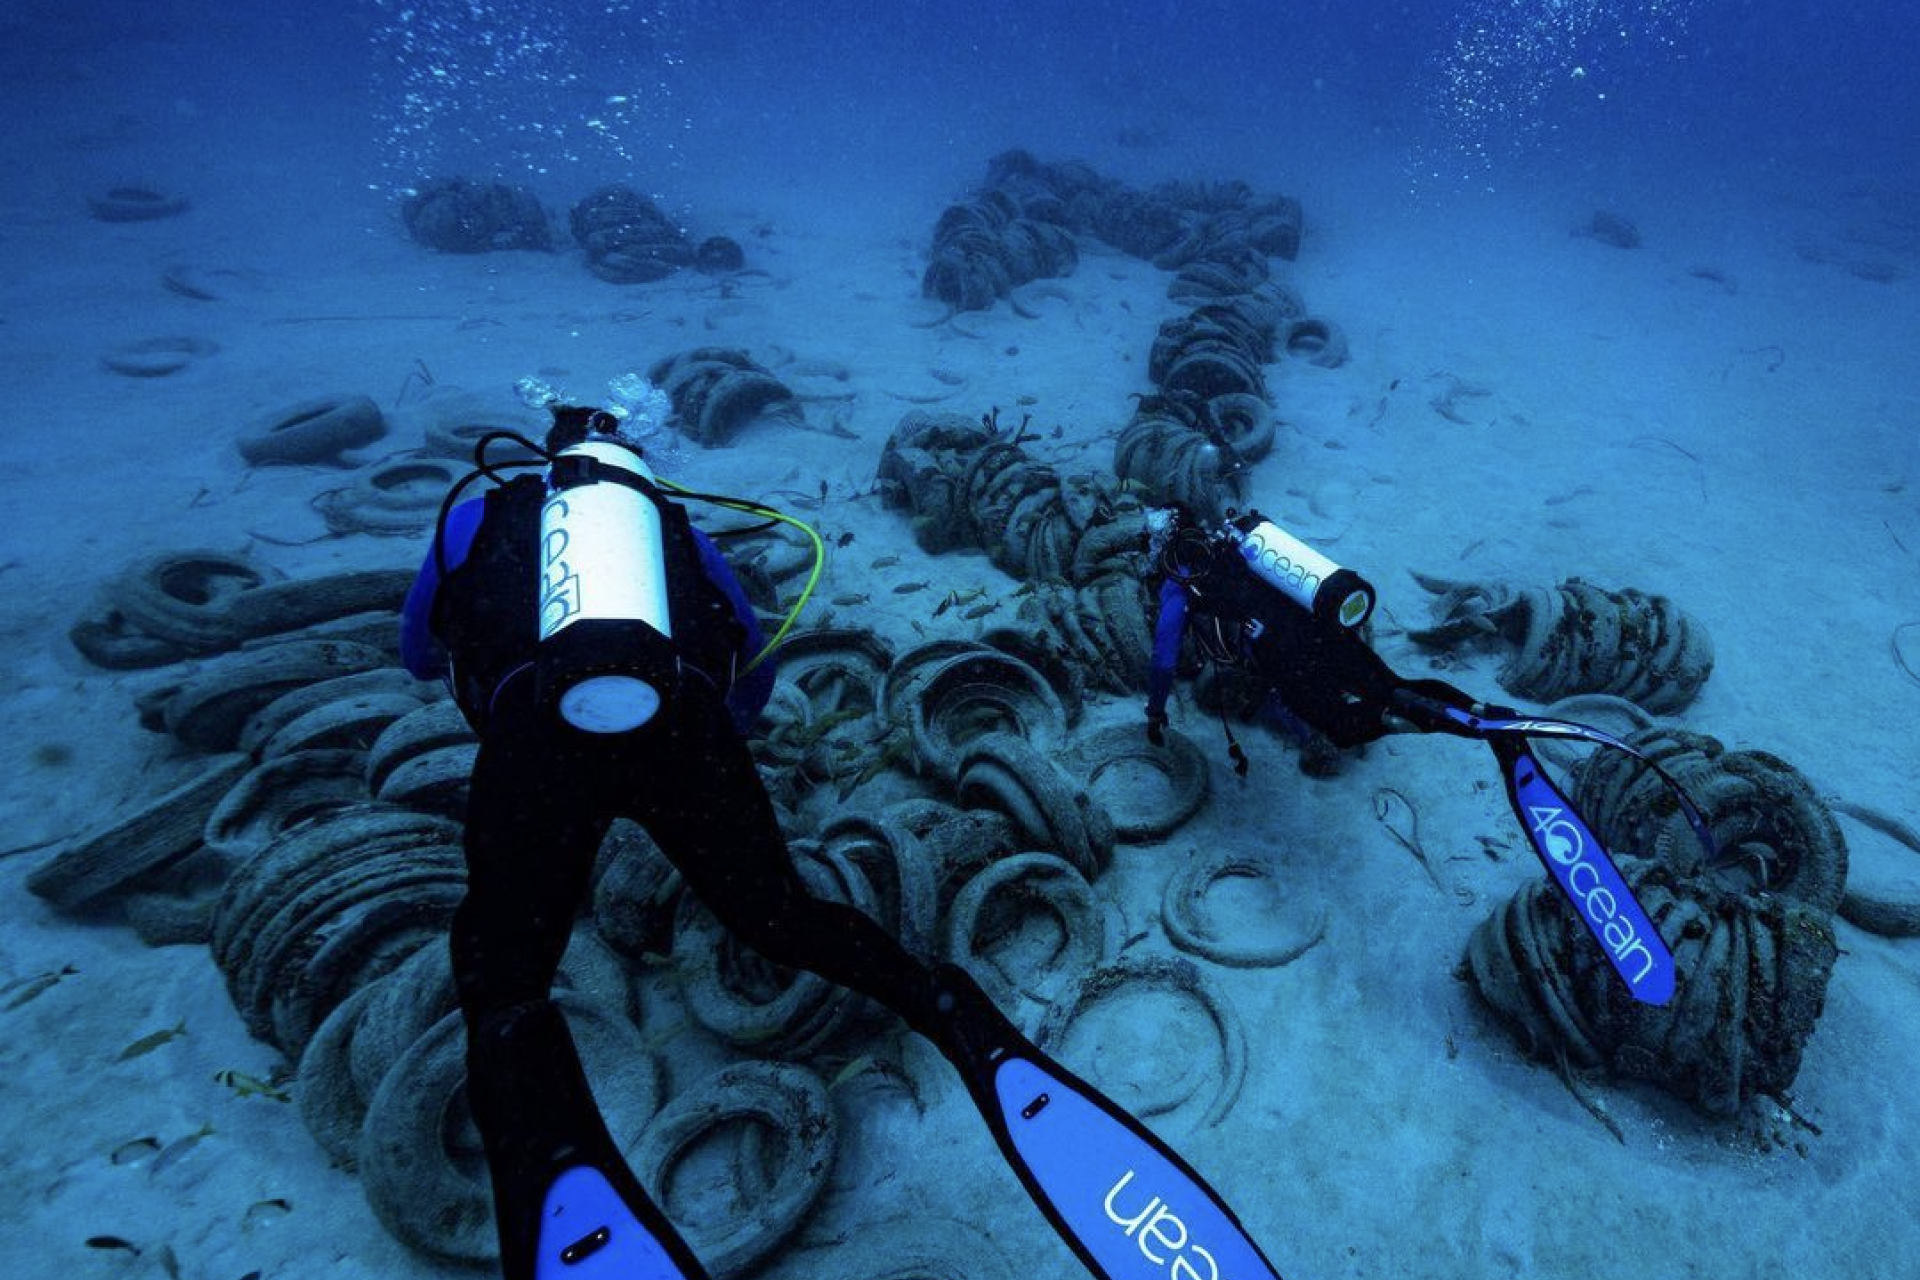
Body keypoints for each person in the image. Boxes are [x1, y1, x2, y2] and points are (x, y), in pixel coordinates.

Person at [401, 401, 1284, 1280]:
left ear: (546, 461)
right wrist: (714, 750)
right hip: (683, 730)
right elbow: (746, 646)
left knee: (504, 976)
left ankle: (549, 1152)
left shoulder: (477, 515)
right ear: (630, 462)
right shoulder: (663, 526)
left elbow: (415, 648)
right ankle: (948, 1008)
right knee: (781, 916)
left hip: (533, 744)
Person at [1139, 503, 1712, 1008]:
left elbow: (1166, 661)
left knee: (1342, 724)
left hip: (1283, 654)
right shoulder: (1240, 538)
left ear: (1164, 549)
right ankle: (1482, 715)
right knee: (1388, 681)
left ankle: (1445, 724)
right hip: (1325, 626)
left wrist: (1157, 711)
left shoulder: (1177, 588)